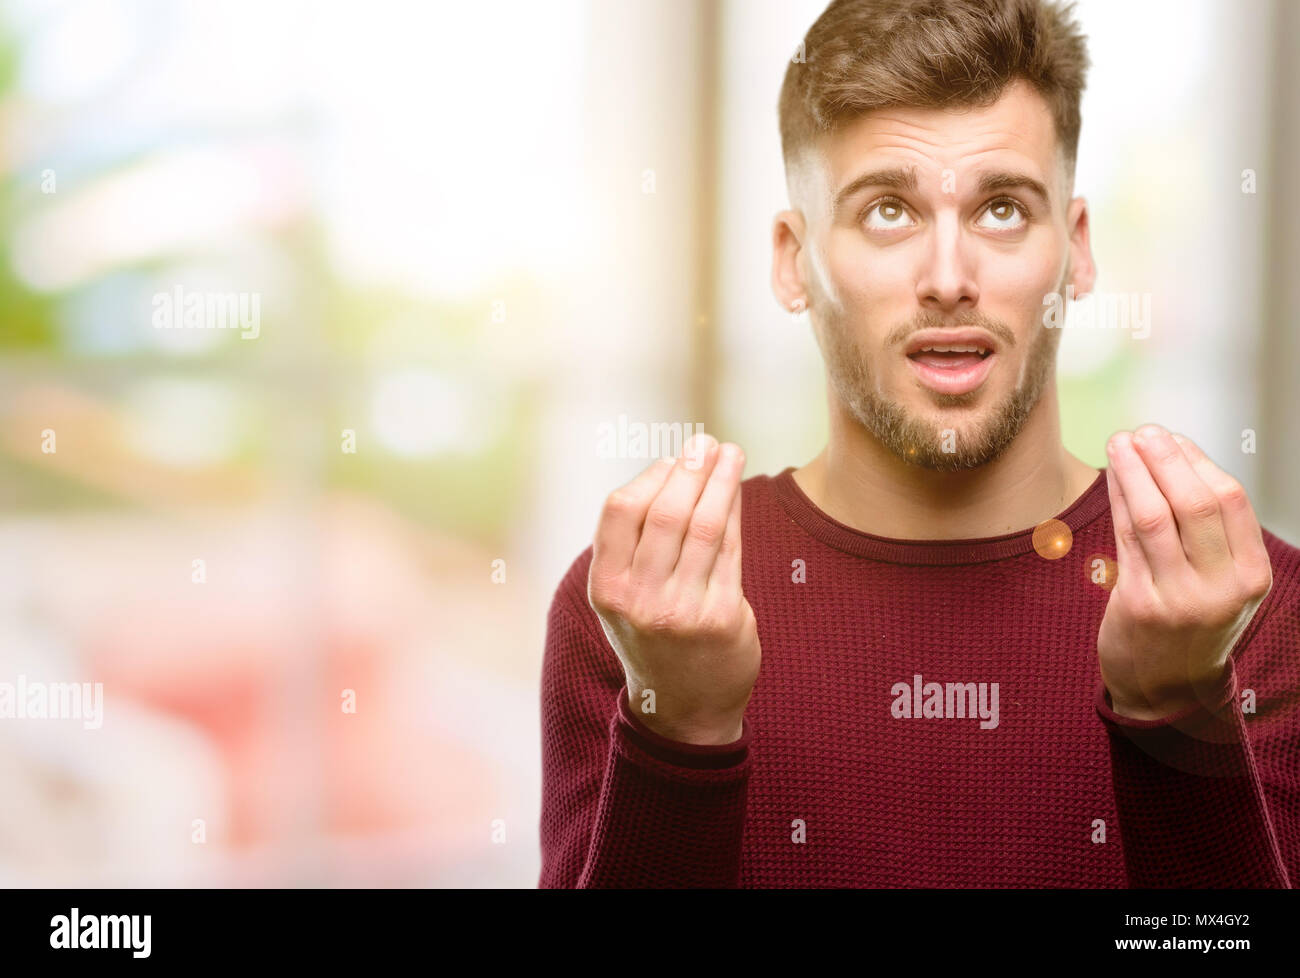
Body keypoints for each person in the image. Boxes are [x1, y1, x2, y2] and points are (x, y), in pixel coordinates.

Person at [538, 0, 1300, 887]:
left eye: (1004, 209)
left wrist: (1178, 708)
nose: (948, 280)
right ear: (793, 259)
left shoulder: (1254, 611)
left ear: (1078, 249)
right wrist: (679, 730)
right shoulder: (642, 611)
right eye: (888, 211)